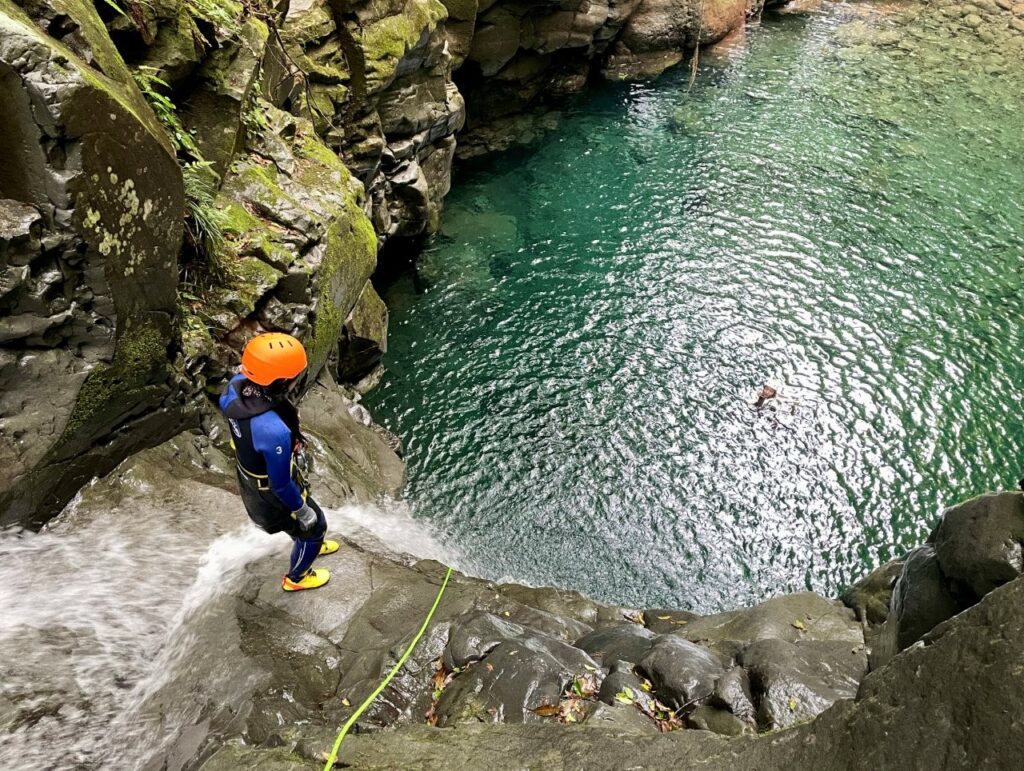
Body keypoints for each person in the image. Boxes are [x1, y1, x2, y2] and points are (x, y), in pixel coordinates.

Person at [219, 332, 339, 592]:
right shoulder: (273, 430)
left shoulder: (235, 388)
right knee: (316, 525)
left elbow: (241, 429)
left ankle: (305, 540)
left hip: (250, 474)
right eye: (295, 375)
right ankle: (297, 577)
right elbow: (281, 485)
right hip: (268, 491)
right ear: (282, 381)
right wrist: (303, 511)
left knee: (296, 522)